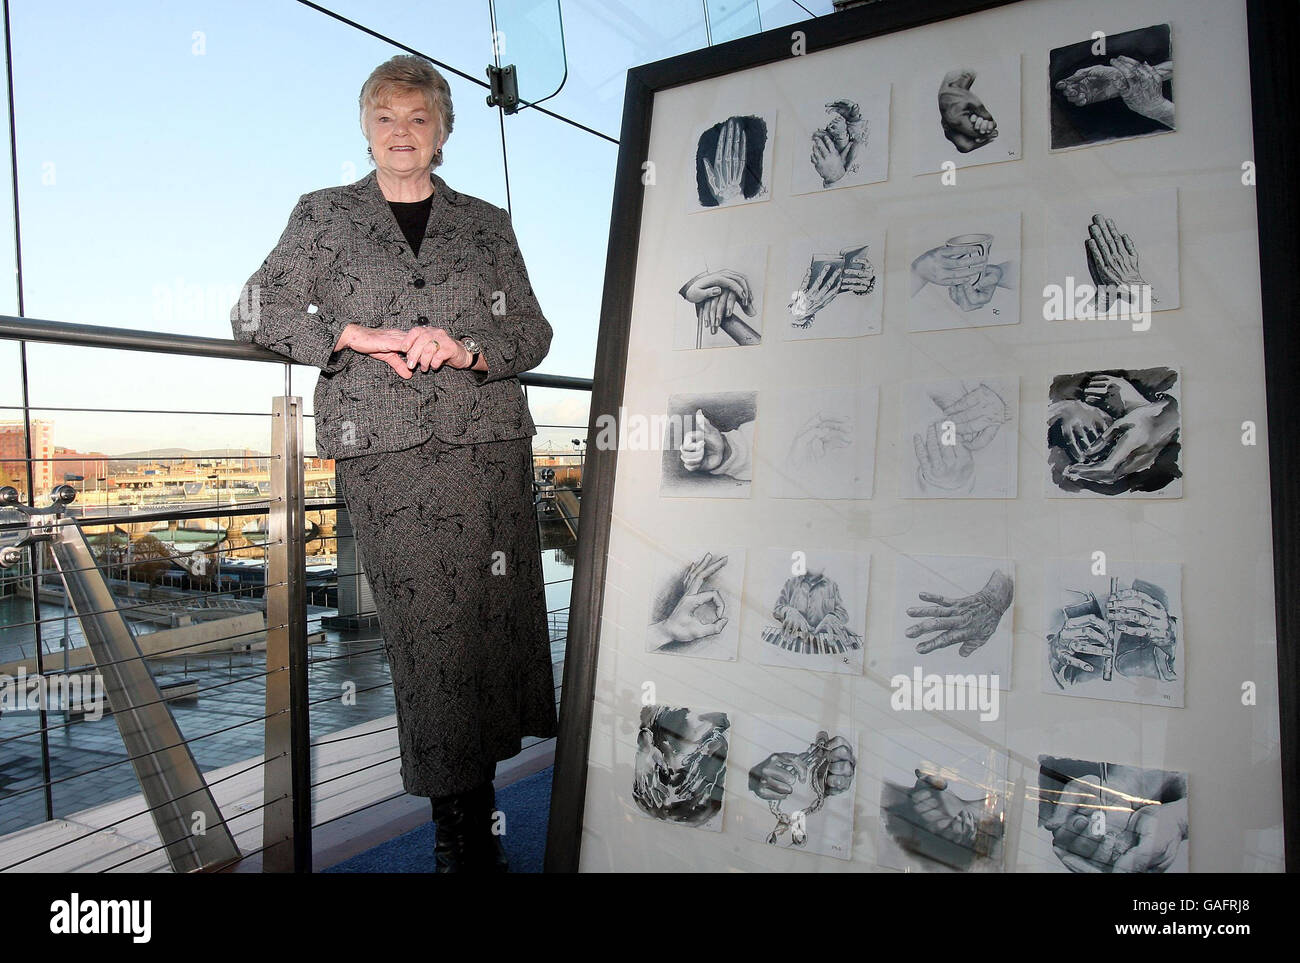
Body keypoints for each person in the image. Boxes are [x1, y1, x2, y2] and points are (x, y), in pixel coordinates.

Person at [230, 54, 557, 872]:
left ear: (443, 132)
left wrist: (473, 347)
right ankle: (457, 828)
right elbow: (252, 308)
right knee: (428, 638)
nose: (402, 132)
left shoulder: (487, 223)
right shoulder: (324, 215)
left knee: (486, 632)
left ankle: (472, 814)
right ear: (366, 129)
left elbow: (535, 332)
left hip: (487, 448)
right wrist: (351, 335)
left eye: (418, 119)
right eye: (386, 118)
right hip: (387, 458)